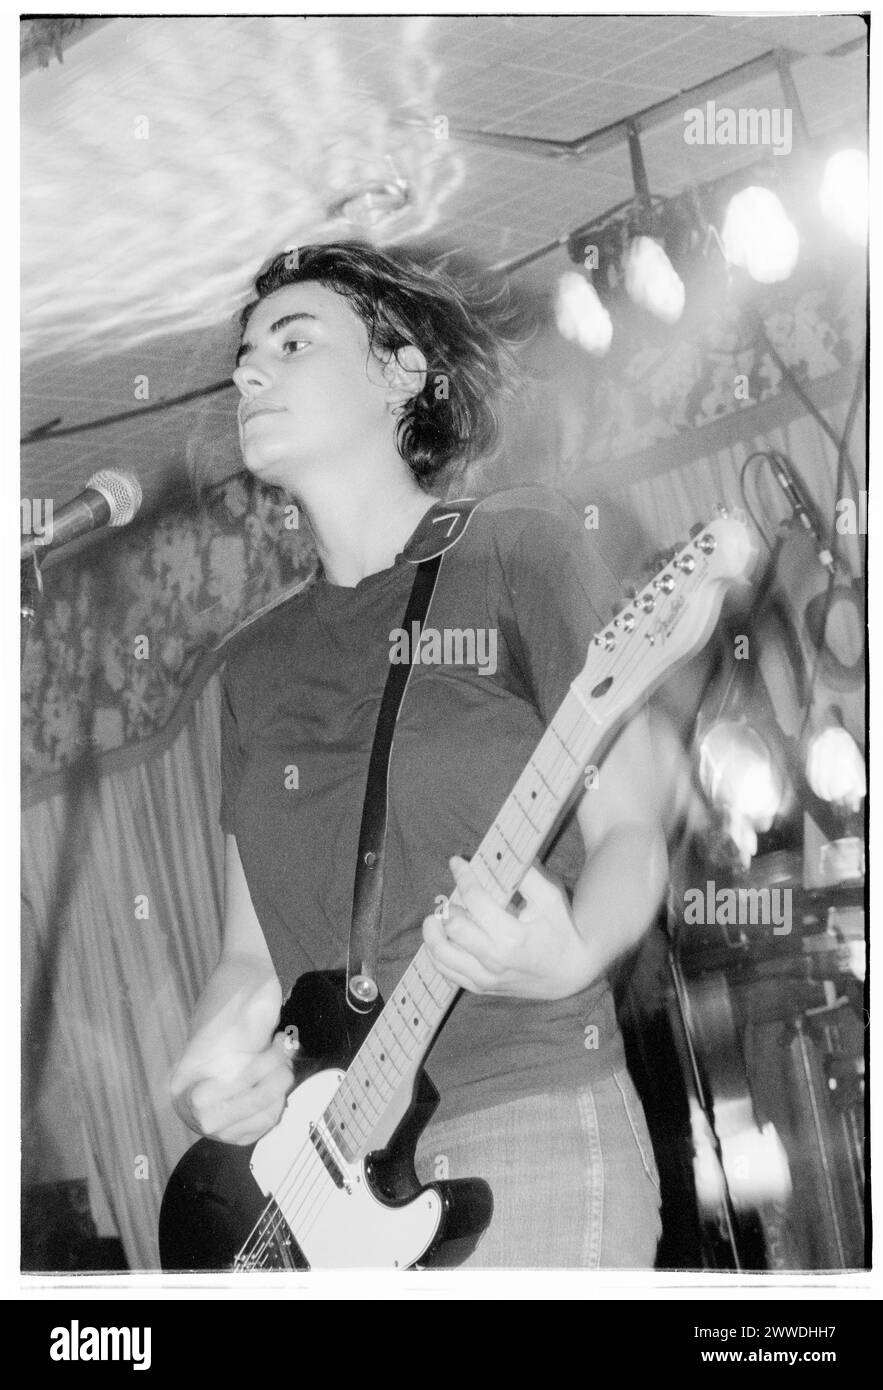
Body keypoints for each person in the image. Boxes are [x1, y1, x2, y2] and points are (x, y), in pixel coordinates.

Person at [170, 240, 667, 1268]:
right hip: (318, 1188)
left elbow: (633, 826)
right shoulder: (249, 668)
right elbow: (248, 956)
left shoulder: (519, 552)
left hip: (525, 1112)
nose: (249, 371)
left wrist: (574, 948)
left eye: (292, 341)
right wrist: (218, 1063)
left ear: (400, 372)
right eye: (245, 354)